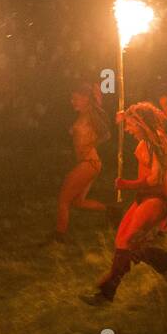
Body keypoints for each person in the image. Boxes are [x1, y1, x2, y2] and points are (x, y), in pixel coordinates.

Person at [83, 102, 167, 304]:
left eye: (130, 125)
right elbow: (130, 121)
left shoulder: (159, 144)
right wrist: (123, 116)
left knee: (128, 242)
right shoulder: (145, 141)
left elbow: (155, 179)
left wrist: (126, 184)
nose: (127, 130)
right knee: (122, 242)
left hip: (157, 198)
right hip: (144, 197)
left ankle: (106, 293)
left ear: (142, 123)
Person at [54, 82, 108, 242]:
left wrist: (90, 144)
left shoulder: (91, 114)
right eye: (71, 98)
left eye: (75, 98)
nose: (72, 101)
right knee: (77, 201)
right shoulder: (84, 114)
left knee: (63, 199)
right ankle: (112, 211)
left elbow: (106, 134)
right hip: (89, 162)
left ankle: (59, 236)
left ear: (85, 99)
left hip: (89, 162)